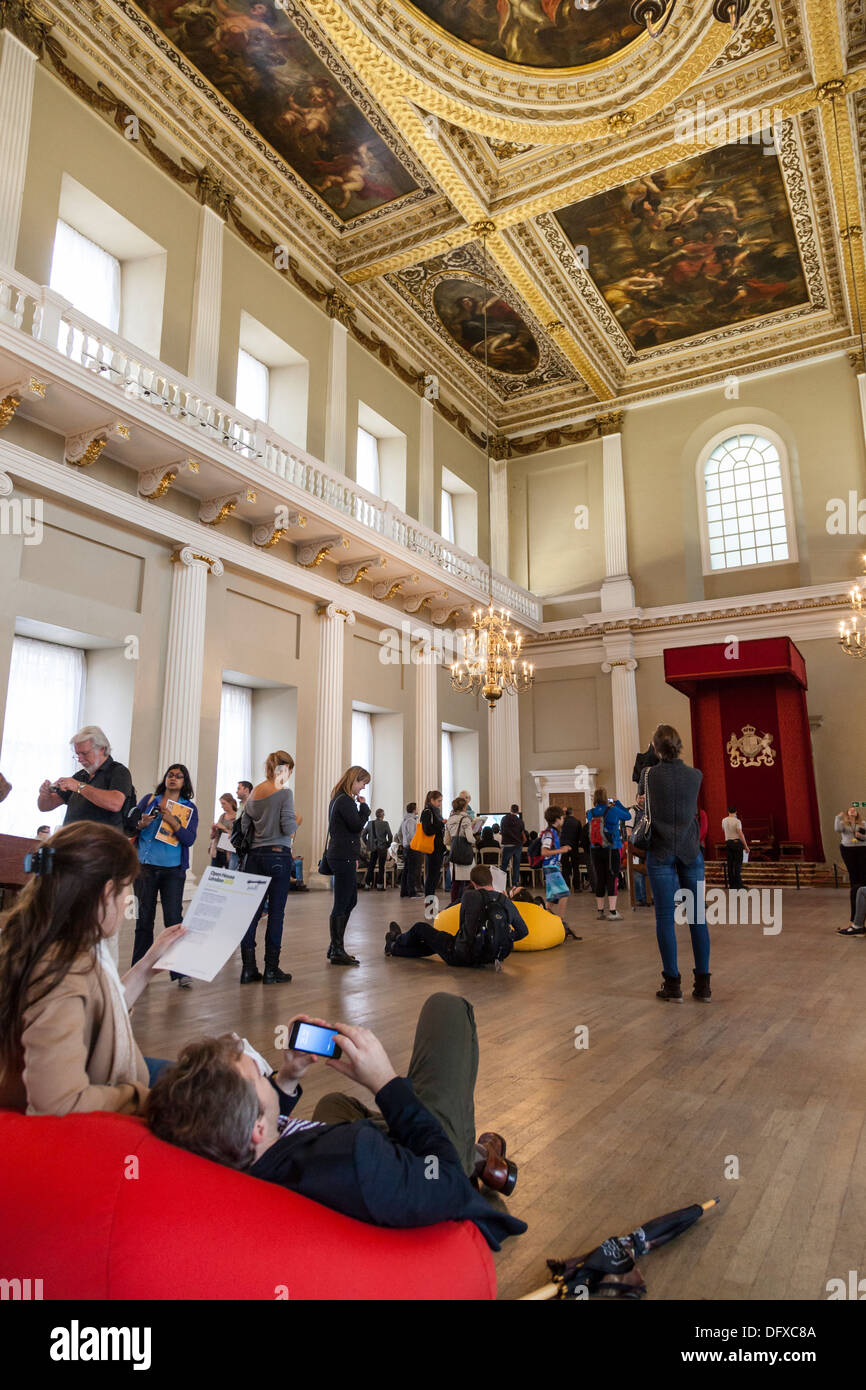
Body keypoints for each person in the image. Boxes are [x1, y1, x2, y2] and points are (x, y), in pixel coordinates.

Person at [145, 993, 526, 1248]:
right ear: (257, 1128)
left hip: (349, 1156)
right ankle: (473, 1156)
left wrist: (287, 1077)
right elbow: (445, 1181)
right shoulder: (355, 1157)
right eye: (259, 1077)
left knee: (334, 1102)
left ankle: (477, 1155)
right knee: (446, 1008)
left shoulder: (233, 1151)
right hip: (428, 1168)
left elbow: (256, 1120)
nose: (266, 1075)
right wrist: (386, 1084)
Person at [0, 823, 184, 1114]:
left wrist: (148, 965)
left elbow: (97, 1009)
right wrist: (139, 1098)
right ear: (106, 893)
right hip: (105, 1095)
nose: (126, 904)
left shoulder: (51, 940)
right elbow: (59, 1103)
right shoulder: (63, 971)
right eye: (126, 891)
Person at [637, 724, 708, 1002]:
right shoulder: (696, 775)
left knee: (665, 917)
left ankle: (673, 984)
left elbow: (644, 806)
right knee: (697, 917)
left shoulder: (649, 774)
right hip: (690, 849)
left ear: (655, 747)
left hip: (661, 849)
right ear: (679, 746)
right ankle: (703, 986)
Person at [129, 764, 199, 990]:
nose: (174, 779)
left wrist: (173, 822)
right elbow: (130, 826)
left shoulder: (188, 808)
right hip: (145, 867)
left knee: (173, 921)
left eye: (179, 777)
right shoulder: (149, 799)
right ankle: (139, 970)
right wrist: (142, 823)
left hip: (172, 871)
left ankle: (179, 973)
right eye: (171, 775)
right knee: (144, 920)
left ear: (184, 782)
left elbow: (189, 840)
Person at [385, 864, 528, 966]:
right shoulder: (505, 901)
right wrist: (499, 939)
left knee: (420, 928)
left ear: (473, 882)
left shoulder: (469, 896)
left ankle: (397, 938)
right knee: (432, 945)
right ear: (492, 878)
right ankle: (393, 948)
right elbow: (523, 931)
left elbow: (463, 927)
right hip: (492, 956)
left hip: (463, 955)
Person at [238, 753, 297, 984]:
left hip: (254, 857)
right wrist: (296, 822)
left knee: (251, 913)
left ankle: (248, 968)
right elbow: (288, 826)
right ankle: (271, 969)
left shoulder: (255, 792)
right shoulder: (284, 792)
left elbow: (244, 825)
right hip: (277, 855)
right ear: (286, 768)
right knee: (276, 914)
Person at [37, 726, 132, 831]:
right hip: (73, 841)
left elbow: (115, 803)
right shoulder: (80, 776)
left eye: (85, 753)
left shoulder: (118, 771)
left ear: (102, 749)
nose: (80, 759)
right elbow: (45, 807)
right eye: (77, 754)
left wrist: (79, 786)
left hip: (102, 844)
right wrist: (45, 794)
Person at [324, 765, 370, 967]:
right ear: (354, 780)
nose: (363, 788)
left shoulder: (340, 800)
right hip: (342, 856)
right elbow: (356, 826)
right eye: (362, 783)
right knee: (343, 902)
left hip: (343, 855)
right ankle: (337, 950)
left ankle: (335, 946)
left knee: (350, 900)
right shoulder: (344, 801)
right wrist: (365, 808)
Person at [587, 789, 630, 921]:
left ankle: (600, 911)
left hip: (595, 848)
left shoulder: (590, 812)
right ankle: (612, 911)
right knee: (612, 877)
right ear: (607, 798)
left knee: (600, 877)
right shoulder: (613, 810)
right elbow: (628, 816)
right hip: (612, 848)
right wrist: (617, 802)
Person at [540, 805, 571, 925]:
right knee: (564, 893)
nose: (563, 819)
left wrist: (560, 849)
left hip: (552, 867)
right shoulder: (549, 833)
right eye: (562, 817)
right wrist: (561, 851)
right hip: (551, 868)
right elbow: (544, 852)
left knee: (551, 899)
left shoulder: (553, 832)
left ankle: (545, 920)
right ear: (557, 819)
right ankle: (560, 922)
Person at [835, 804, 866, 922]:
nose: (853, 811)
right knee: (854, 881)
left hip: (862, 849)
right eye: (850, 810)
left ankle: (860, 919)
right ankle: (856, 919)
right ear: (847, 813)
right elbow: (837, 830)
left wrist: (862, 837)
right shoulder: (843, 824)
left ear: (857, 813)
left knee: (863, 881)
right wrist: (838, 818)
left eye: (854, 810)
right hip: (848, 850)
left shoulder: (863, 823)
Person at [445, 796, 475, 904]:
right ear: (464, 807)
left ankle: (454, 904)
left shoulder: (449, 820)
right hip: (465, 852)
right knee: (468, 881)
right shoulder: (465, 819)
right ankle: (466, 903)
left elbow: (446, 841)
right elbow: (469, 838)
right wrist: (474, 838)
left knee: (455, 883)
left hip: (455, 853)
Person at [421, 790, 446, 899]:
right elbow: (427, 830)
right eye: (438, 801)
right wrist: (441, 824)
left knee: (434, 876)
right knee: (431, 876)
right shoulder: (427, 812)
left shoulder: (435, 812)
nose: (440, 804)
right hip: (432, 848)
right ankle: (429, 902)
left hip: (438, 847)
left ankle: (431, 902)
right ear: (432, 800)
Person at [362, 808, 392, 891]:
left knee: (371, 866)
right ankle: (379, 885)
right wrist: (387, 845)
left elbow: (363, 835)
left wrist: (368, 843)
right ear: (382, 815)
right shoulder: (385, 824)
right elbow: (390, 836)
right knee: (381, 867)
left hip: (373, 847)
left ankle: (367, 885)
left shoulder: (370, 823)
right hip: (382, 848)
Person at [398, 801, 422, 898]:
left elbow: (399, 833)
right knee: (412, 870)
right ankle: (412, 892)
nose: (418, 810)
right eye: (417, 808)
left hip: (406, 847)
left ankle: (404, 892)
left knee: (406, 870)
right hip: (412, 847)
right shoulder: (411, 820)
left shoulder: (404, 820)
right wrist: (416, 843)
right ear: (414, 810)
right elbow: (413, 835)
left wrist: (404, 842)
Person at [722, 807, 749, 891]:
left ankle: (732, 885)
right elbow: (740, 834)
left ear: (728, 811)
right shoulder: (737, 821)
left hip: (728, 843)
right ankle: (739, 884)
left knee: (730, 864)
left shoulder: (724, 820)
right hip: (736, 843)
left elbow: (724, 830)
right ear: (736, 812)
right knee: (737, 864)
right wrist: (746, 846)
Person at [499, 804, 525, 889]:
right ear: (517, 811)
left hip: (507, 844)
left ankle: (501, 883)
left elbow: (502, 831)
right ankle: (515, 884)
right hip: (518, 845)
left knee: (504, 865)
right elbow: (522, 832)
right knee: (516, 865)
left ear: (510, 810)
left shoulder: (504, 819)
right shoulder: (520, 821)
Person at [229, 781, 253, 871]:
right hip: (237, 845)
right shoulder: (241, 807)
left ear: (246, 790)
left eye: (239, 788)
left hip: (245, 846)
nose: (236, 791)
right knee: (232, 875)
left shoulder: (251, 806)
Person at [210, 793, 237, 868]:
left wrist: (224, 828)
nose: (222, 806)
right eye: (221, 804)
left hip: (229, 853)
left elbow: (236, 835)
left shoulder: (237, 817)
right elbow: (212, 836)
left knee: (229, 877)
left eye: (223, 803)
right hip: (217, 851)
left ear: (230, 803)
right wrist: (213, 829)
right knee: (213, 875)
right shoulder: (222, 816)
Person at [559, 806, 581, 890]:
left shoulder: (563, 821)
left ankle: (566, 886)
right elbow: (579, 836)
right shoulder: (577, 822)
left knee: (565, 866)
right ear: (572, 813)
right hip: (574, 846)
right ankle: (577, 887)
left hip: (564, 846)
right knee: (575, 867)